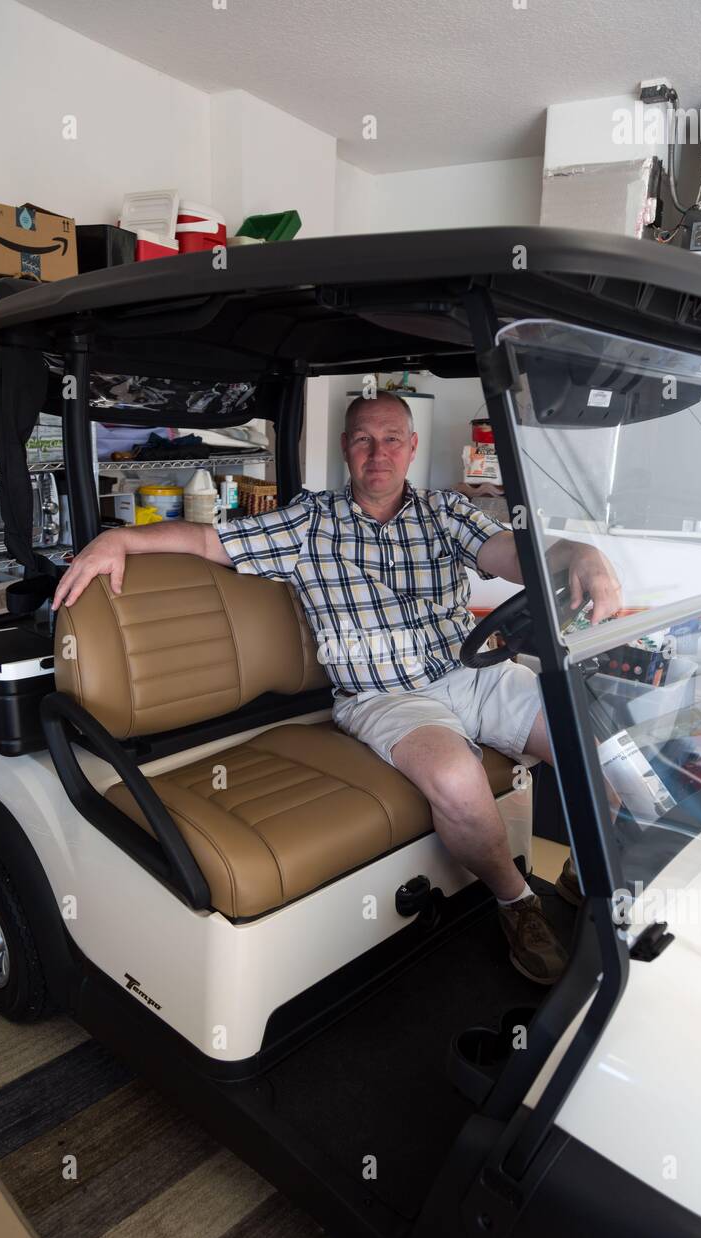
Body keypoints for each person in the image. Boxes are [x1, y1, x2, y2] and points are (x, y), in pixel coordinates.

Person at [52, 391, 621, 986]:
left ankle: (589, 870)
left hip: (473, 673)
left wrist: (576, 553)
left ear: (412, 447)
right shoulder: (308, 521)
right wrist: (119, 540)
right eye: (362, 439)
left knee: (591, 738)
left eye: (392, 439)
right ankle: (516, 904)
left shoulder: (446, 512)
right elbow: (204, 542)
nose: (379, 453)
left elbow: (511, 555)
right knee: (457, 779)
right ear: (346, 448)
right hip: (383, 696)